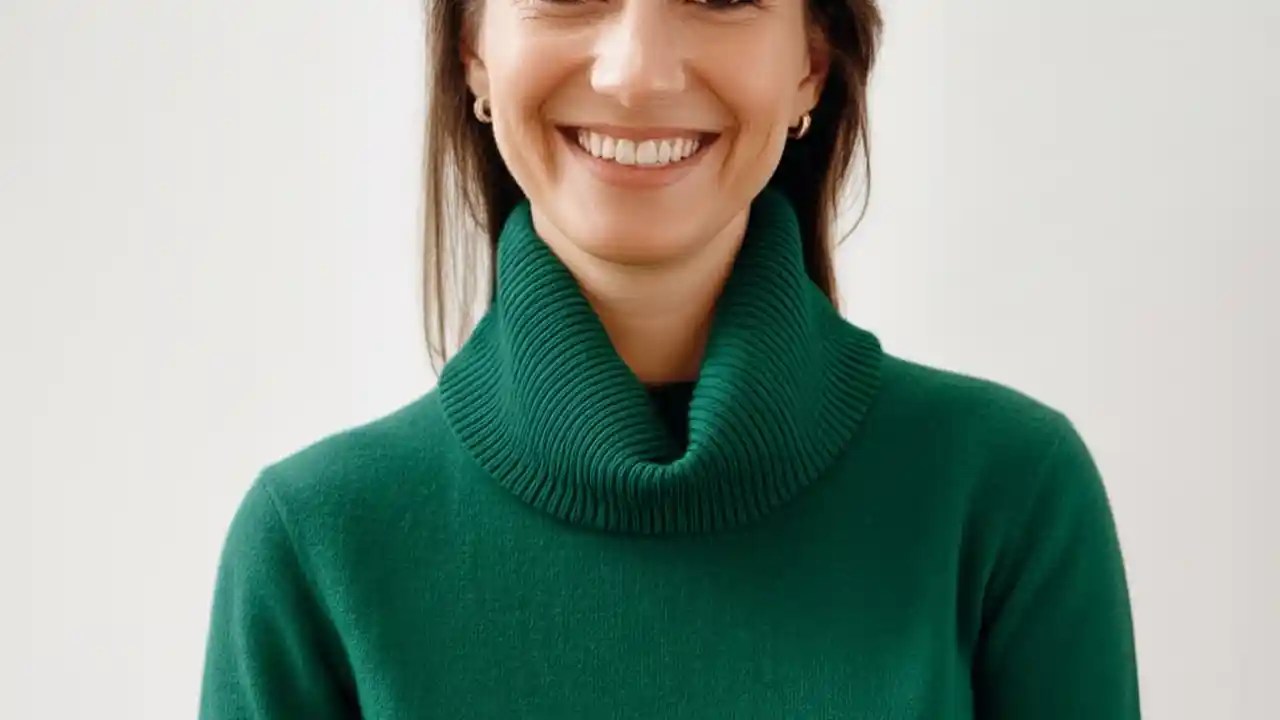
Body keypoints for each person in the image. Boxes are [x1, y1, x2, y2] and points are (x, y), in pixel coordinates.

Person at [199, 0, 1141, 717]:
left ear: (812, 61)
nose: (637, 72)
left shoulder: (1005, 498)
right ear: (472, 49)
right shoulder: (316, 547)